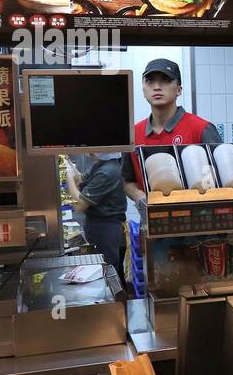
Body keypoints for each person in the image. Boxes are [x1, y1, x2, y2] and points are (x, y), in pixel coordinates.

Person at [122, 58, 220, 202]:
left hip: (196, 218)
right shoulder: (133, 133)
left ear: (179, 89)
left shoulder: (201, 129)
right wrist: (139, 196)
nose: (156, 87)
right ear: (143, 90)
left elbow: (219, 176)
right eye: (150, 81)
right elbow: (126, 179)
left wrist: (199, 195)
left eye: (166, 80)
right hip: (152, 221)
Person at [67, 152, 129, 289]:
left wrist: (69, 178)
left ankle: (114, 304)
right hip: (97, 225)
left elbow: (80, 204)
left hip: (106, 228)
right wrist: (70, 167)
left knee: (107, 271)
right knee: (98, 269)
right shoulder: (101, 165)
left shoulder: (108, 172)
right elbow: (80, 180)